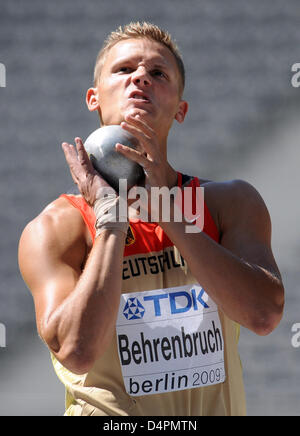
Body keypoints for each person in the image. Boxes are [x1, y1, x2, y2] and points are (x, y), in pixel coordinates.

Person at [18, 22, 284, 416]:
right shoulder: (59, 225)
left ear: (181, 110)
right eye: (124, 70)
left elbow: (262, 315)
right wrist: (110, 220)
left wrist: (173, 218)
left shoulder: (228, 203)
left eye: (158, 73)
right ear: (93, 98)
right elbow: (76, 352)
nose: (140, 77)